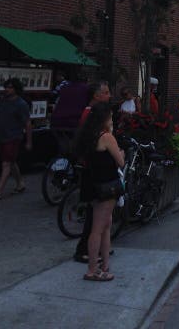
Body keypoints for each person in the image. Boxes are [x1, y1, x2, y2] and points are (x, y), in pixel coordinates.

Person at [75, 101, 124, 281]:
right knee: (97, 229)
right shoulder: (107, 137)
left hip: (92, 184)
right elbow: (121, 162)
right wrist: (121, 153)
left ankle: (105, 265)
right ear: (105, 118)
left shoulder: (88, 136)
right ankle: (93, 269)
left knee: (105, 225)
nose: (112, 119)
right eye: (110, 117)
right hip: (106, 186)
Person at [74, 80, 111, 264]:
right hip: (94, 168)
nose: (109, 96)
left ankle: (100, 248)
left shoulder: (94, 113)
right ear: (96, 95)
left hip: (94, 166)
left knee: (100, 214)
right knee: (94, 213)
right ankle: (84, 250)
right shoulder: (91, 114)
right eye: (106, 92)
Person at [0, 78, 32, 201]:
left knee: (6, 163)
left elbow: (28, 123)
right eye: (6, 87)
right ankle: (20, 183)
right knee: (11, 161)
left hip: (14, 136)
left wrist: (29, 141)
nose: (7, 89)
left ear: (16, 89)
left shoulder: (21, 104)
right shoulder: (2, 101)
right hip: (2, 136)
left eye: (10, 87)